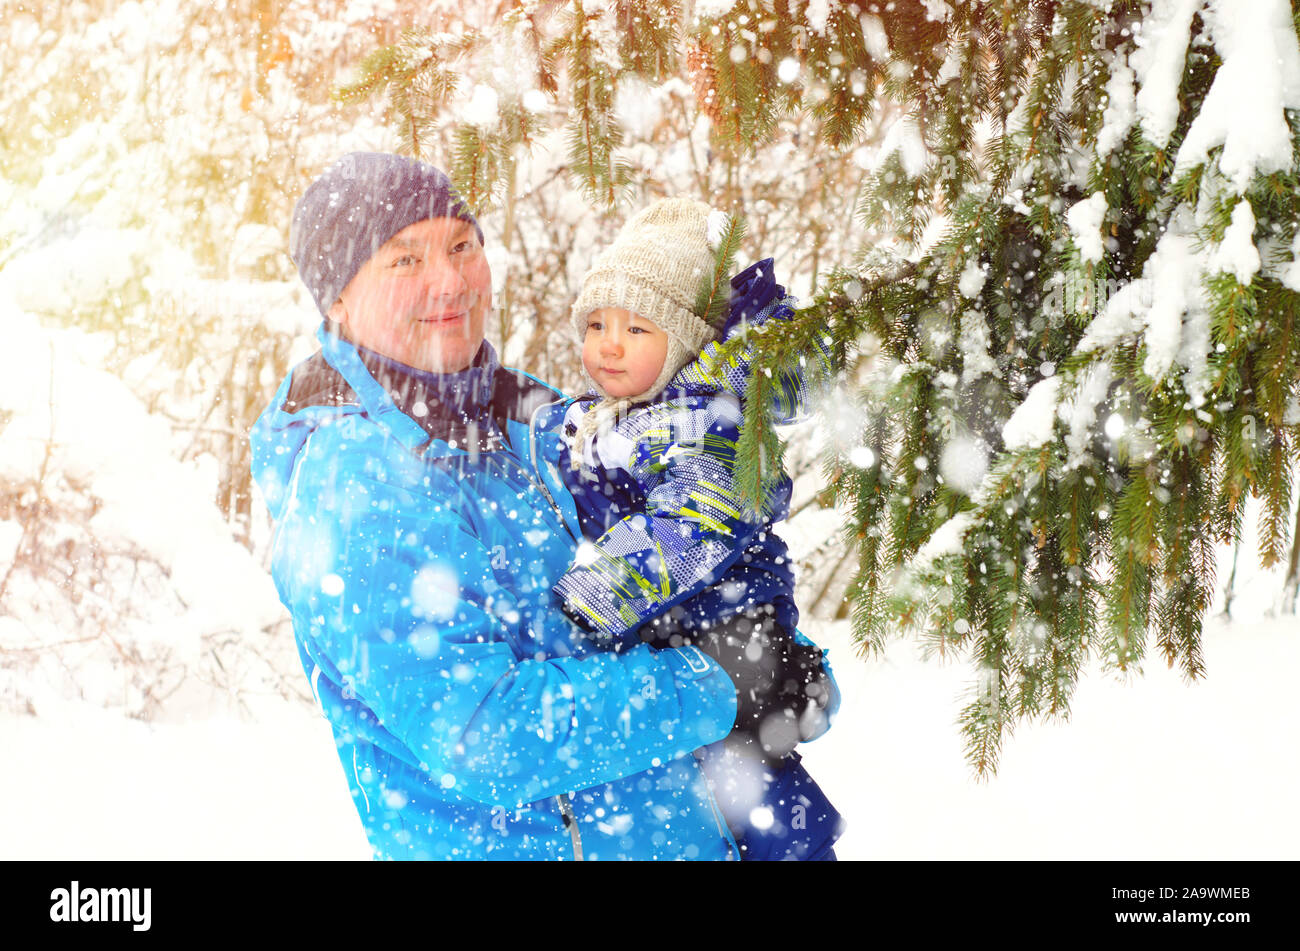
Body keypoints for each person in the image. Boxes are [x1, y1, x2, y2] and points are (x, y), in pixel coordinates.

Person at [249, 152, 814, 860]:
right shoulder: (353, 489)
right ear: (338, 298)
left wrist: (783, 668)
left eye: (461, 245)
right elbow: (487, 734)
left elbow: (676, 561)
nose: (451, 280)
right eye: (404, 261)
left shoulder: (521, 417)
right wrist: (718, 685)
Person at [527, 198, 843, 860]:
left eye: (638, 329)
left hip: (731, 633)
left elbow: (686, 533)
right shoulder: (624, 414)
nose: (609, 343)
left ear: (686, 343)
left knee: (755, 800)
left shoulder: (709, 424)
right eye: (596, 323)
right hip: (683, 631)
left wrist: (582, 602)